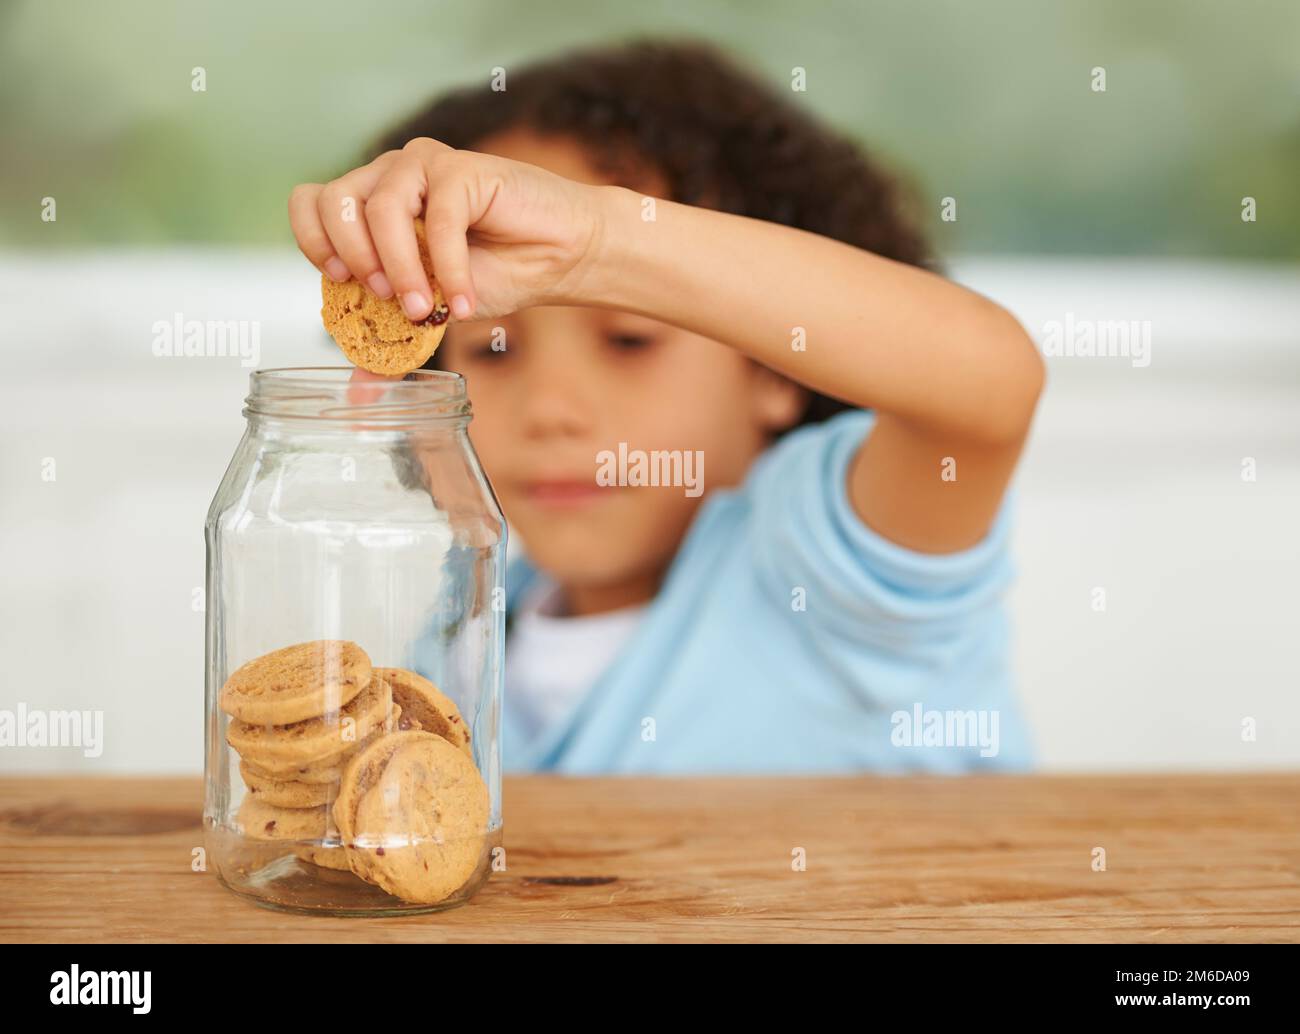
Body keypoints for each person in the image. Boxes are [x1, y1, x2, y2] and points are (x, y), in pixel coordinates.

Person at [288, 40, 1045, 774]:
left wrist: (599, 246)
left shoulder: (830, 564)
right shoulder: (460, 636)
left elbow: (989, 385)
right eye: (493, 349)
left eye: (629, 339)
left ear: (779, 363)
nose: (549, 412)